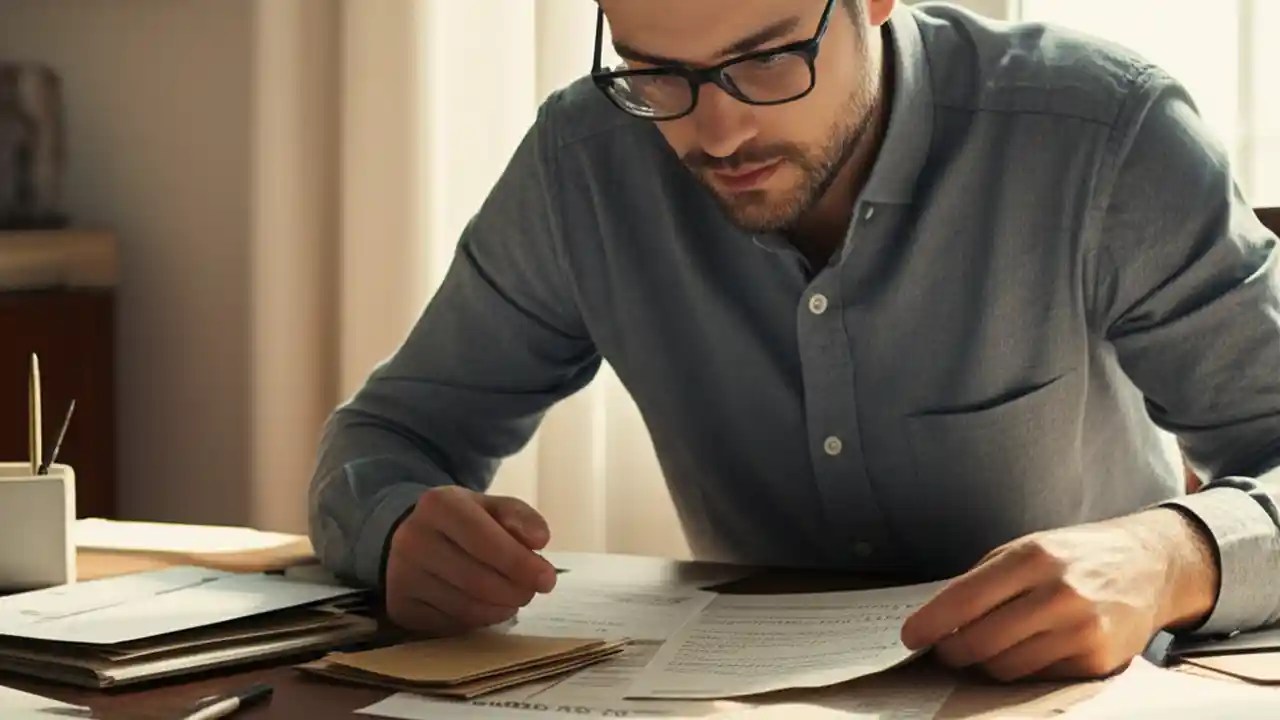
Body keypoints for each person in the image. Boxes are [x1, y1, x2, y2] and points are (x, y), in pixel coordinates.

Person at [309, 0, 1280, 682]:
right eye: (655, 73)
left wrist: (1170, 556)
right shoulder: (584, 162)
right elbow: (388, 437)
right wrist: (395, 524)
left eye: (766, 58)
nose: (718, 132)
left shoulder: (1103, 135)